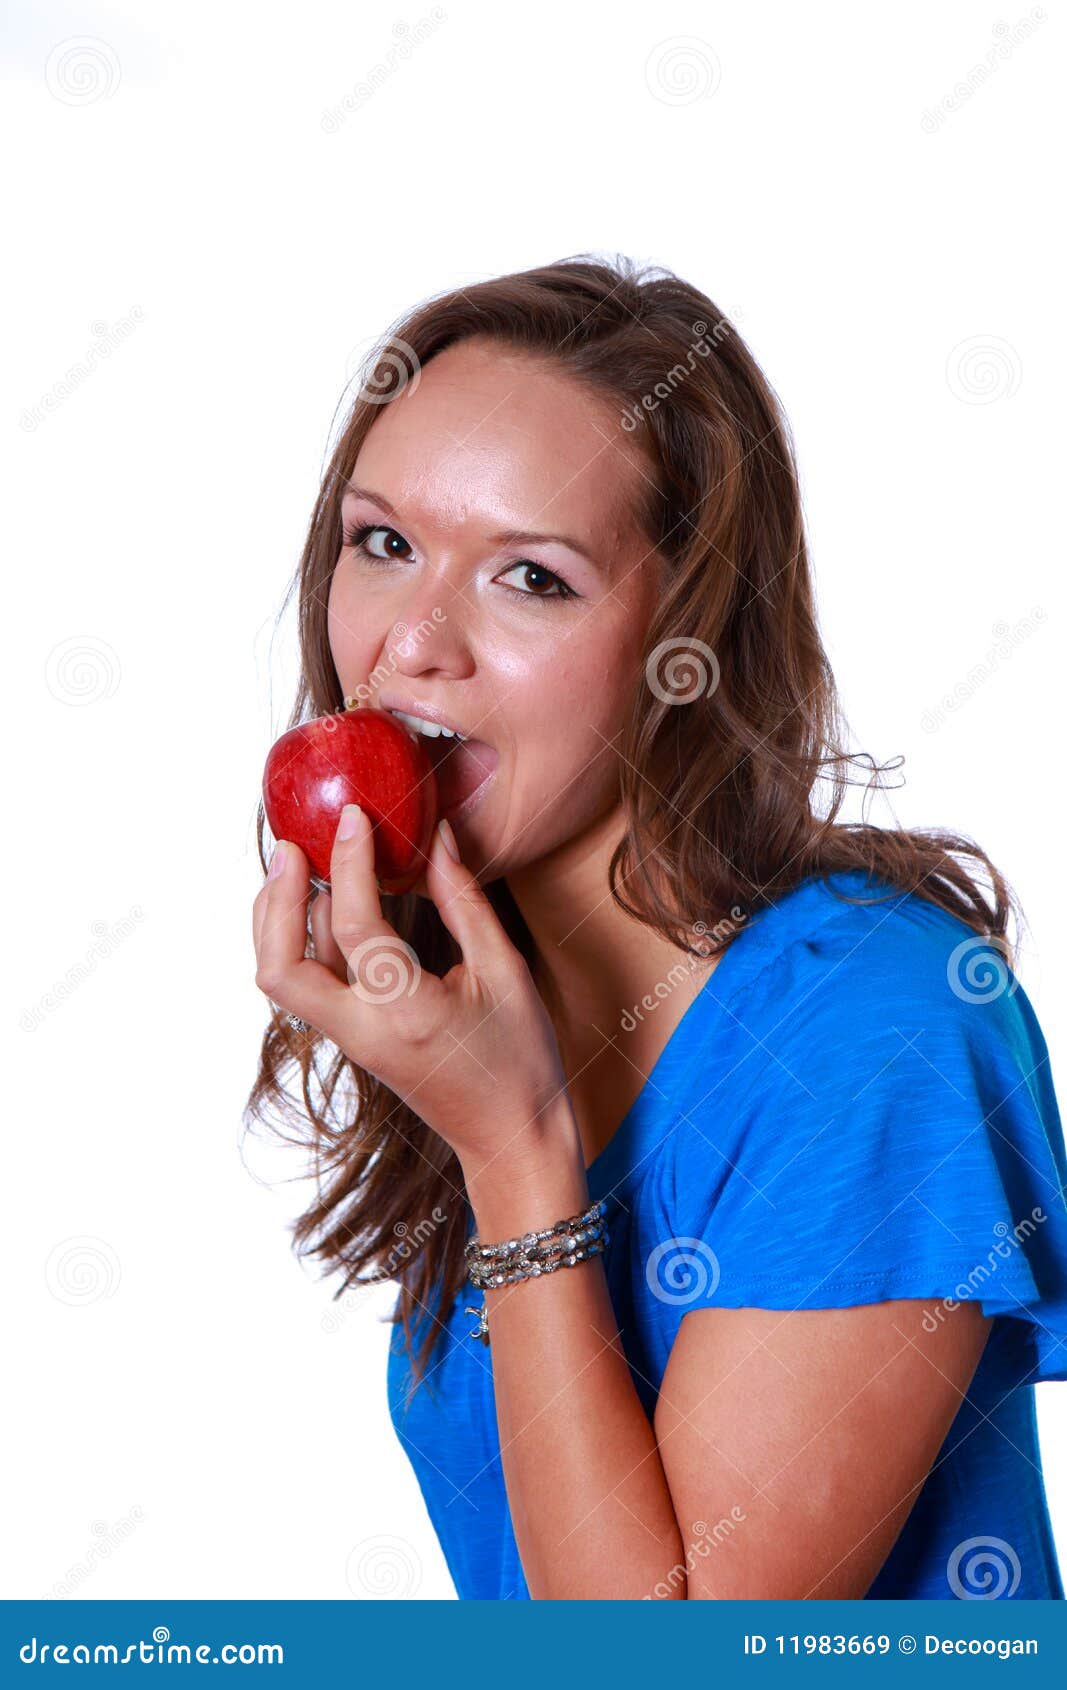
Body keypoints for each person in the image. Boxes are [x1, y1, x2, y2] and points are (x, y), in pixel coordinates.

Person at [247, 255, 1067, 1600]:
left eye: (531, 576)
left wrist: (515, 1150)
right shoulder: (488, 1001)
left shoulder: (873, 1030)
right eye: (383, 544)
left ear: (685, 642)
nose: (412, 643)